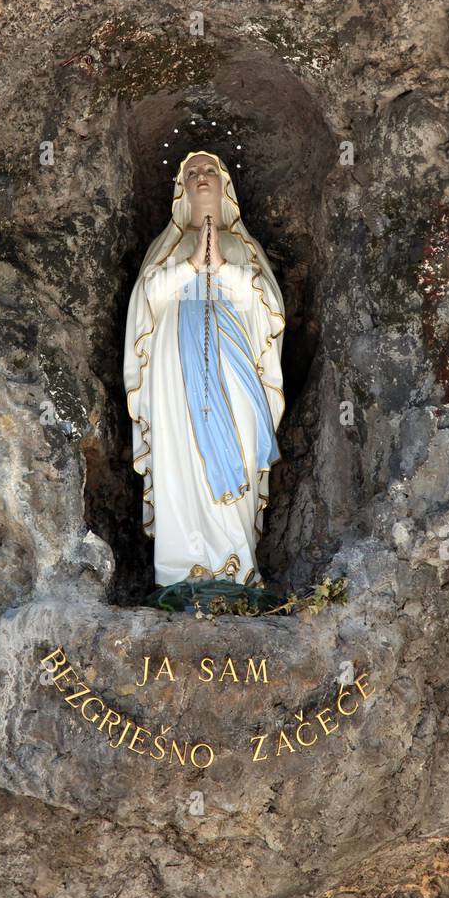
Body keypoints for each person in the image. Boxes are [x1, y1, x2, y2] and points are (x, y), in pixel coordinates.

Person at [124, 150, 285, 588]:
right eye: (191, 172)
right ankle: (184, 571)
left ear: (224, 185)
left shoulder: (242, 245)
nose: (200, 177)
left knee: (238, 440)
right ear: (181, 189)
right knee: (182, 456)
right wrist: (191, 263)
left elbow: (268, 308)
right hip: (176, 370)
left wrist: (222, 268)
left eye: (209, 170)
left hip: (234, 367)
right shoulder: (168, 246)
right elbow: (145, 302)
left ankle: (237, 567)